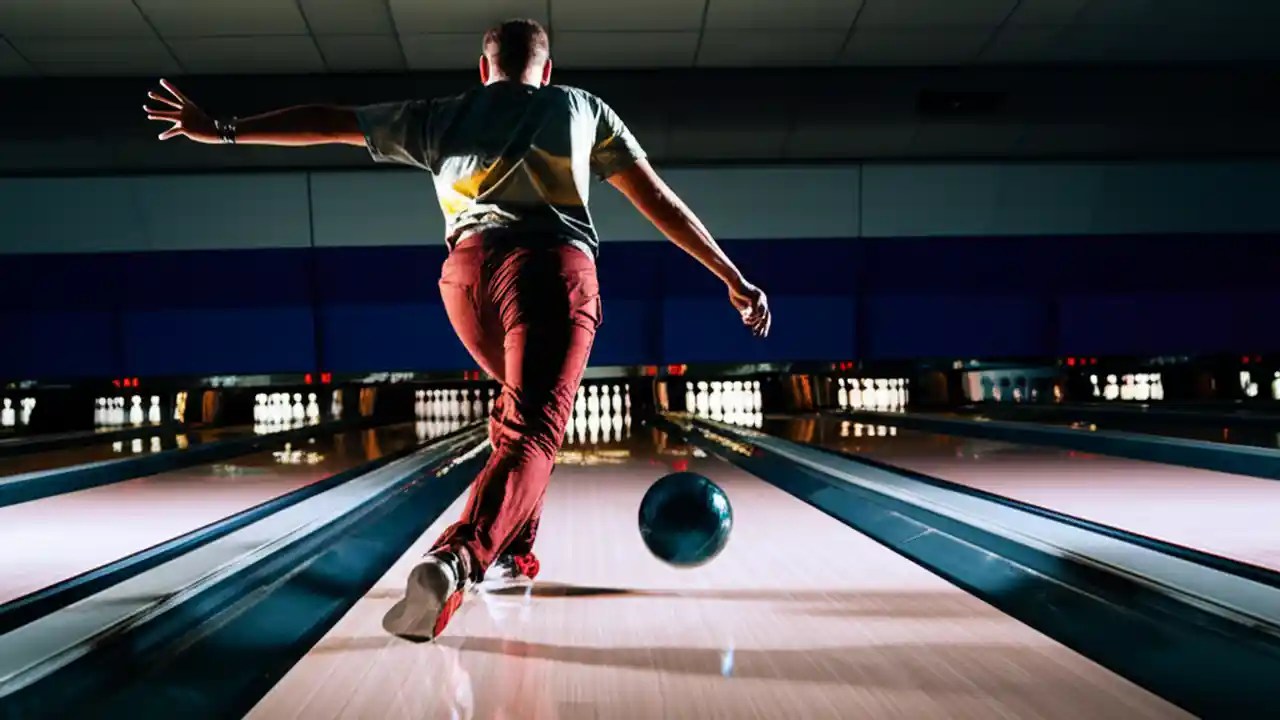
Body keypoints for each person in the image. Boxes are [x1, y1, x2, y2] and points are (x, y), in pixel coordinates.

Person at [143, 18, 771, 642]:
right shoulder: (582, 108)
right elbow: (656, 198)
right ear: (547, 71)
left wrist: (221, 129)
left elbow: (330, 120)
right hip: (550, 275)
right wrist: (732, 277)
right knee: (536, 429)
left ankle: (509, 554)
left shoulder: (440, 114)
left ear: (483, 69)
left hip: (465, 283)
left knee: (519, 418)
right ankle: (459, 558)